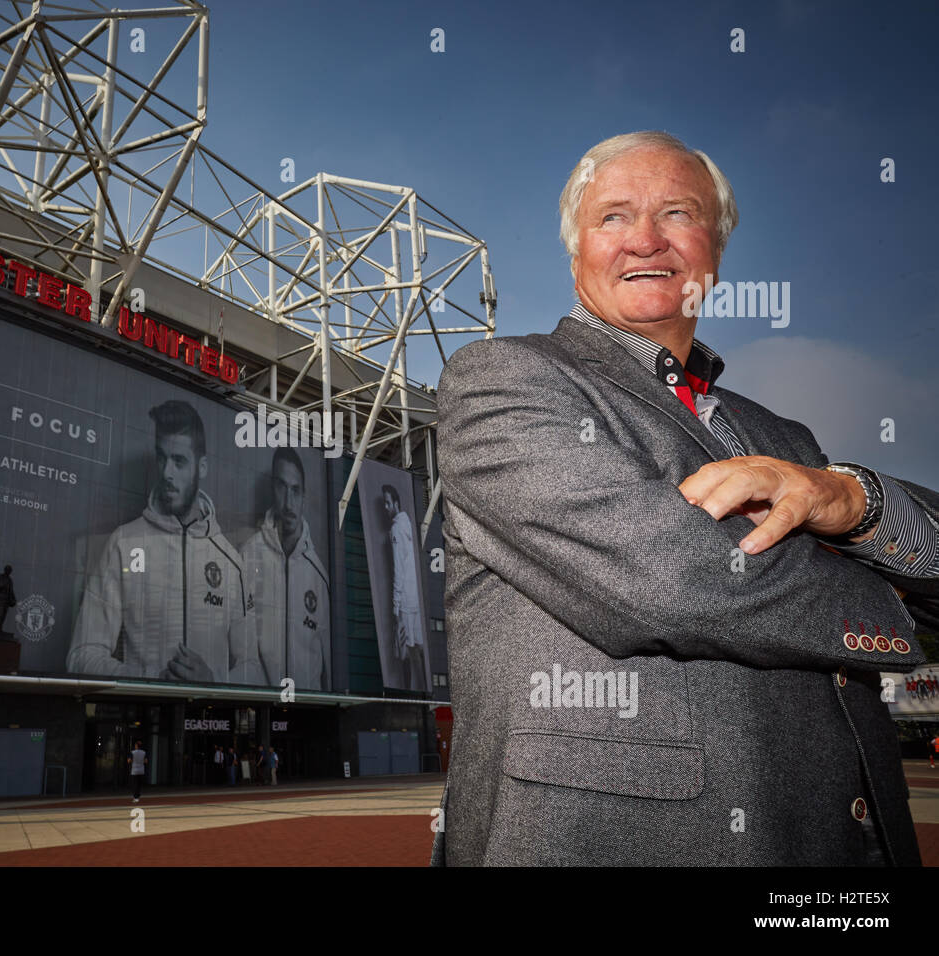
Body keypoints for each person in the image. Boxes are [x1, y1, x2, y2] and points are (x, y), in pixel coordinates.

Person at [434, 130, 939, 867]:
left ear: (715, 251)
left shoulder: (784, 435)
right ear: (576, 251)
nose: (644, 239)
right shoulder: (503, 379)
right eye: (613, 216)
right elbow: (669, 580)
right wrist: (891, 605)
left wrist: (851, 499)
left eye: (677, 213)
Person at [67, 400, 252, 683]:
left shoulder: (231, 561)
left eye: (179, 461)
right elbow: (82, 656)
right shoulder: (125, 543)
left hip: (212, 722)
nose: (167, 472)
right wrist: (153, 681)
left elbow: (255, 666)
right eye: (161, 458)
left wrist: (214, 682)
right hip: (142, 721)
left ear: (201, 467)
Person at [240, 447, 331, 689]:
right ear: (272, 488)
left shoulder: (319, 575)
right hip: (258, 704)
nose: (289, 502)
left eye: (295, 490)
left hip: (308, 709)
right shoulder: (248, 554)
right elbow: (238, 640)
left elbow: (329, 662)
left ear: (304, 496)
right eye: (282, 487)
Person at [383, 484, 428, 692]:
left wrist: (395, 604)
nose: (385, 507)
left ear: (396, 503)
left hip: (406, 600)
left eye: (387, 503)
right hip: (415, 596)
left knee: (406, 650)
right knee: (417, 646)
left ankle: (411, 697)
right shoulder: (408, 524)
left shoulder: (395, 529)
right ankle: (426, 693)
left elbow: (398, 569)